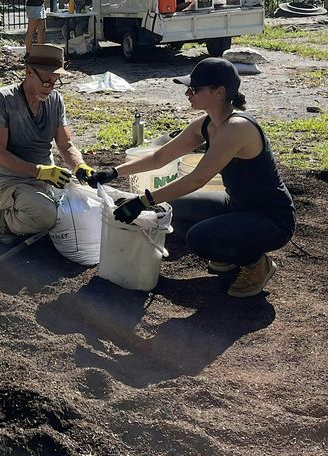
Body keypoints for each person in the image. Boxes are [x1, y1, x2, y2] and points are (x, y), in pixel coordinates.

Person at [89, 58, 294, 298]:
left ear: (219, 92)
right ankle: (231, 252)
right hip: (237, 206)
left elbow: (197, 179)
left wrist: (143, 201)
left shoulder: (237, 128)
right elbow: (160, 156)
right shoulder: (207, 124)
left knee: (199, 239)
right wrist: (115, 172)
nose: (188, 93)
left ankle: (256, 262)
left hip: (271, 219)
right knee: (171, 209)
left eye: (194, 89)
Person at [0, 43, 95, 244]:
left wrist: (80, 165)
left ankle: (38, 210)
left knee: (88, 204)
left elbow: (66, 145)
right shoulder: (1, 100)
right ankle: (7, 219)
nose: (50, 87)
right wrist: (39, 171)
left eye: (55, 81)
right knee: (46, 216)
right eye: (46, 81)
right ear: (28, 72)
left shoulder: (55, 100)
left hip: (48, 178)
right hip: (13, 181)